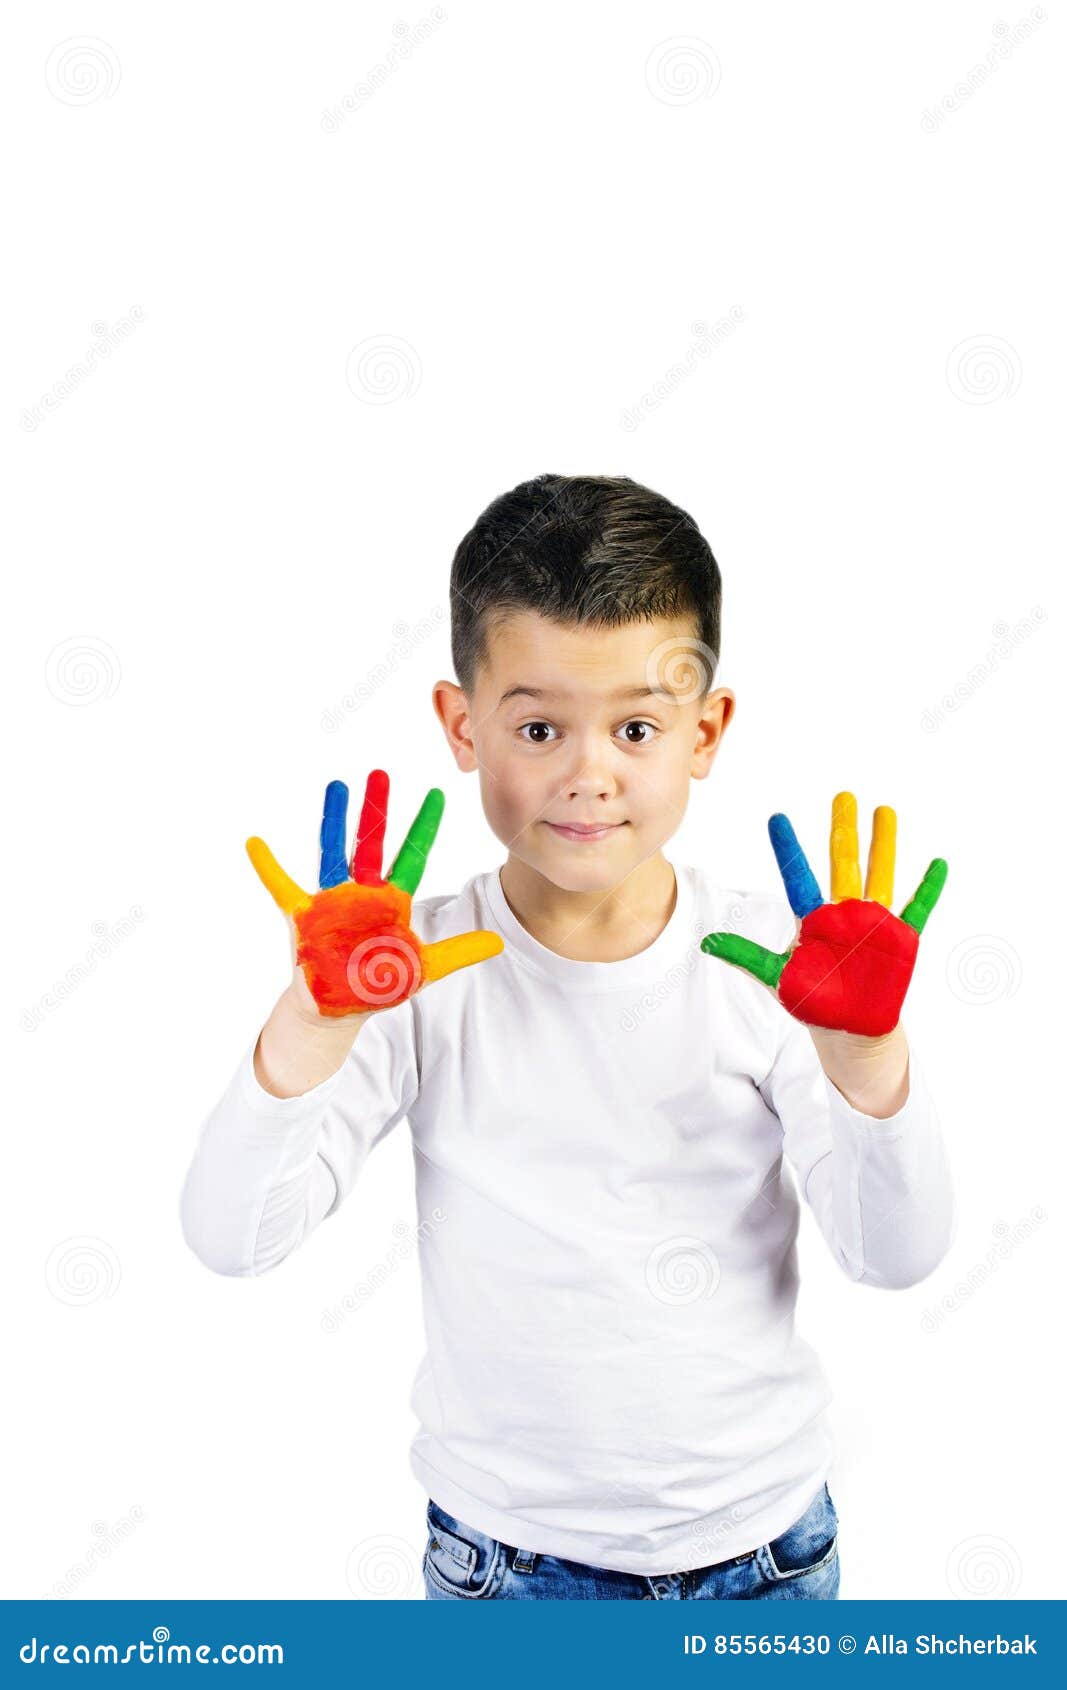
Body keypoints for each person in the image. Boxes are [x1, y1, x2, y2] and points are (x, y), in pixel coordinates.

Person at [179, 473, 955, 1600]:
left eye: (636, 727)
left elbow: (896, 1257)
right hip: (504, 1568)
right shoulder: (406, 975)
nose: (588, 775)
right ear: (462, 726)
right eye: (538, 727)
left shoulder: (785, 975)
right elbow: (233, 1238)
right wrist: (312, 1021)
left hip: (765, 1557)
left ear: (705, 731)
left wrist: (868, 1059)